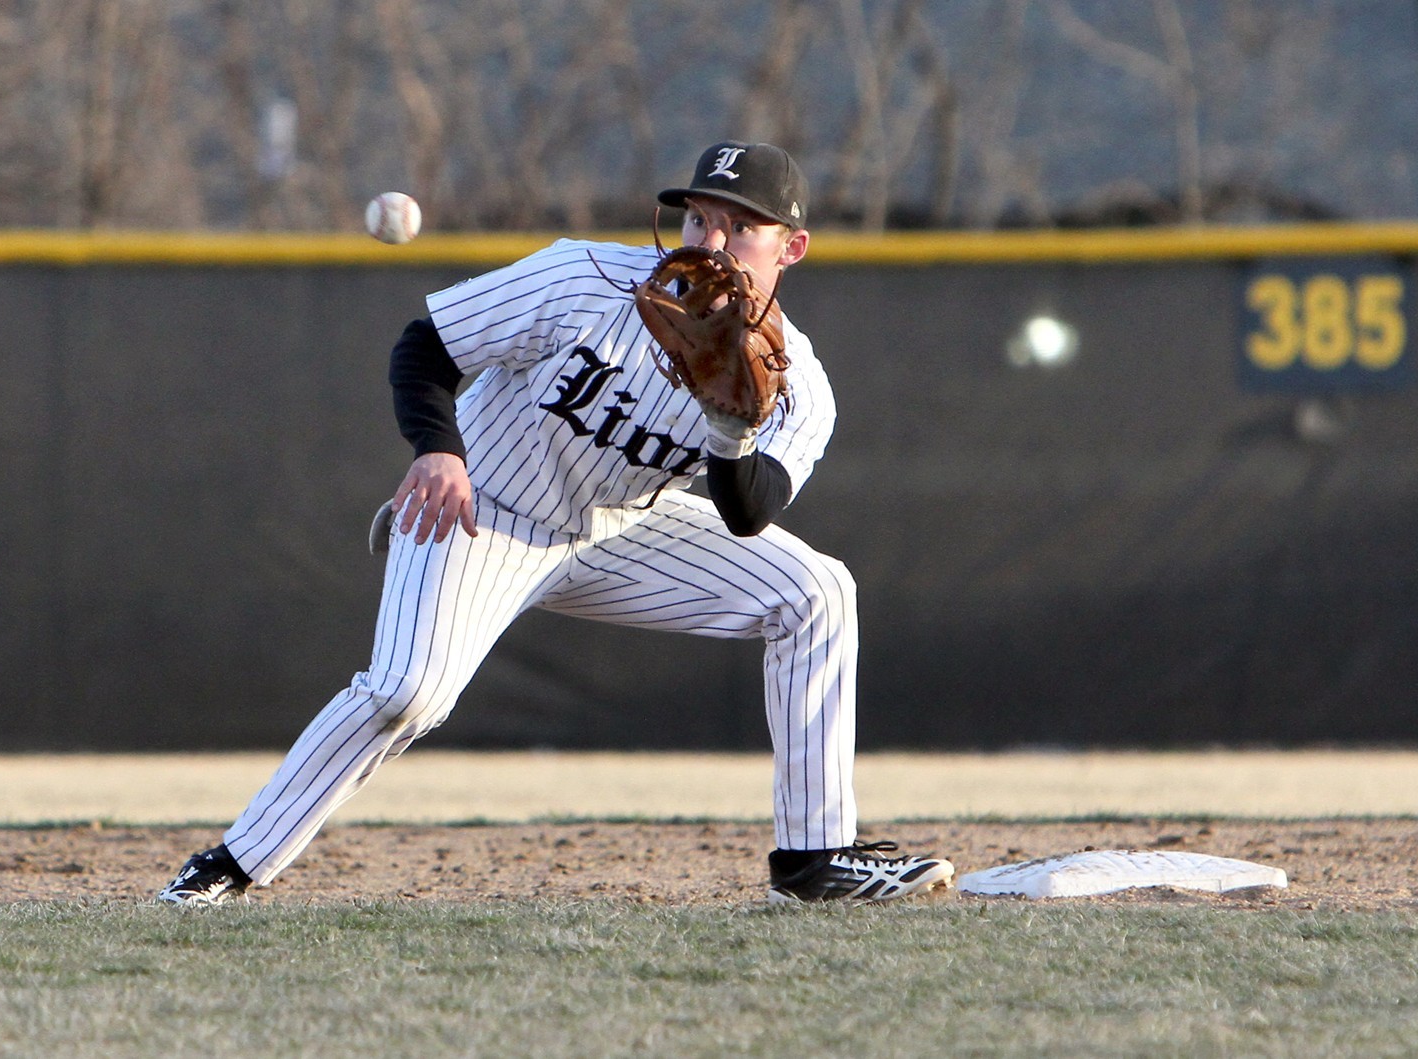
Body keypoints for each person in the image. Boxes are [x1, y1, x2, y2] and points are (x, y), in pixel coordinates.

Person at [158, 141, 955, 906]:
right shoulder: (585, 279)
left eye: (740, 227)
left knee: (817, 591)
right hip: (479, 511)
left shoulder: (798, 385)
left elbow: (748, 511)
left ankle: (813, 858)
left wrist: (728, 426)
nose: (711, 242)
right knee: (408, 691)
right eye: (699, 220)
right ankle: (229, 863)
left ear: (793, 248)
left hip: (615, 528)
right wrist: (438, 450)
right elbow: (424, 348)